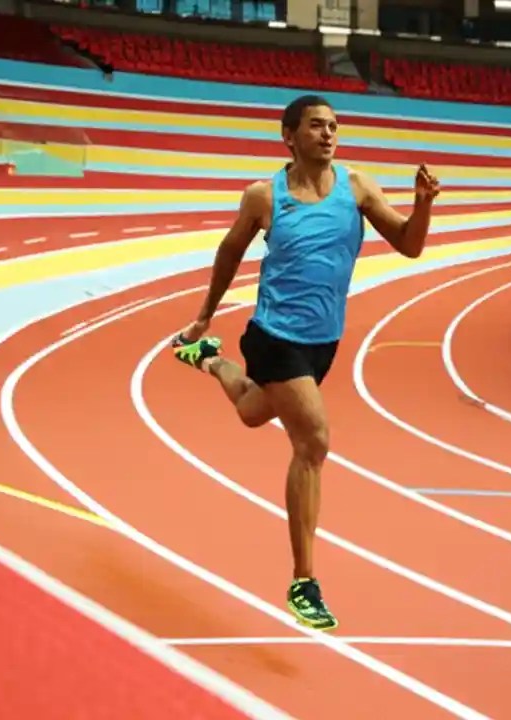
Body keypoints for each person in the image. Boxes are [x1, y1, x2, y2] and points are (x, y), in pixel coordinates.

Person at [170, 94, 442, 630]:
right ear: (288, 135)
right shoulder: (263, 196)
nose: (328, 133)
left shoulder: (358, 188)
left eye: (334, 126)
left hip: (324, 343)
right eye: (316, 125)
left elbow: (409, 246)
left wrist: (423, 205)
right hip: (274, 336)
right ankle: (304, 582)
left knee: (252, 410)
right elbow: (229, 251)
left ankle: (211, 362)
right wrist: (204, 314)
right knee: (313, 440)